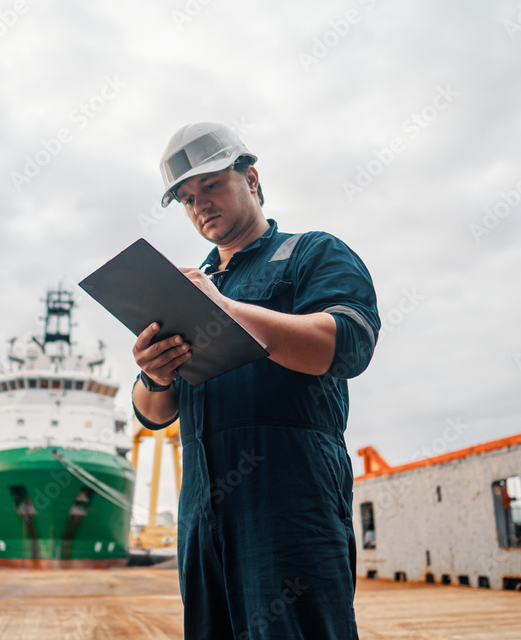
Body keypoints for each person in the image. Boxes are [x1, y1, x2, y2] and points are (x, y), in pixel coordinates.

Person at [132, 122, 380, 639]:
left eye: (211, 186)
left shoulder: (311, 255)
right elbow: (153, 414)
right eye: (186, 197)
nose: (199, 205)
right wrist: (154, 374)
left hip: (290, 504)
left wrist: (227, 310)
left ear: (251, 177)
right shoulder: (188, 288)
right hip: (203, 515)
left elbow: (346, 343)